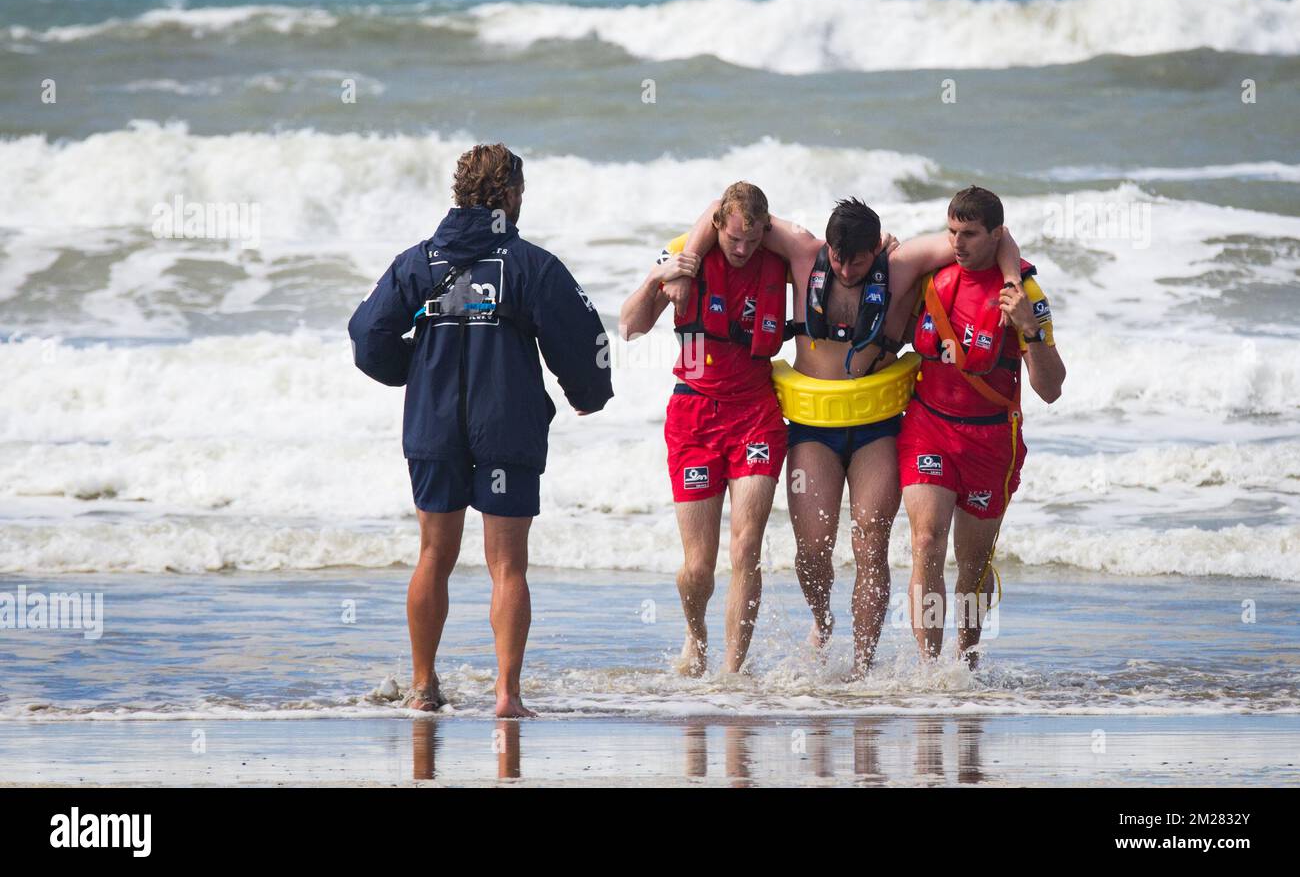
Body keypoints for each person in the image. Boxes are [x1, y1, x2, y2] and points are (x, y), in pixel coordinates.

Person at [668, 197, 1021, 675]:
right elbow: (724, 211)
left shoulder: (897, 266)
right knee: (813, 551)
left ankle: (862, 663)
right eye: (839, 258)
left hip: (875, 425)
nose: (847, 269)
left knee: (871, 540)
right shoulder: (803, 251)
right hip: (813, 426)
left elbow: (996, 238)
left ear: (874, 249)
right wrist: (685, 264)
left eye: (858, 260)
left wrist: (1015, 281)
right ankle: (823, 617)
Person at [348, 143, 613, 717]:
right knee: (508, 564)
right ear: (511, 195)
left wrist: (412, 372)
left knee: (432, 556)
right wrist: (587, 395)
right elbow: (583, 337)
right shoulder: (529, 265)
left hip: (434, 427)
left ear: (459, 192)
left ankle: (422, 687)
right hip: (506, 427)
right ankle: (506, 695)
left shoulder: (417, 263)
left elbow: (367, 337)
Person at [620, 182, 789, 677]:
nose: (742, 251)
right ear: (717, 226)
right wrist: (659, 277)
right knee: (698, 566)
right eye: (734, 239)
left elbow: (827, 255)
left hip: (756, 413)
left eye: (752, 241)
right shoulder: (684, 257)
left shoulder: (776, 258)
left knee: (746, 548)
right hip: (694, 416)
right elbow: (628, 328)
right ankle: (696, 639)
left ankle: (733, 673)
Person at [899, 185, 1065, 668]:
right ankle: (931, 673)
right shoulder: (935, 274)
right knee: (925, 542)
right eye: (952, 231)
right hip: (928, 426)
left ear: (996, 235)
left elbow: (1050, 389)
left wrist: (1029, 330)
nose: (958, 243)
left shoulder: (1025, 293)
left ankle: (966, 663)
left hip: (990, 440)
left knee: (972, 565)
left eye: (969, 234)